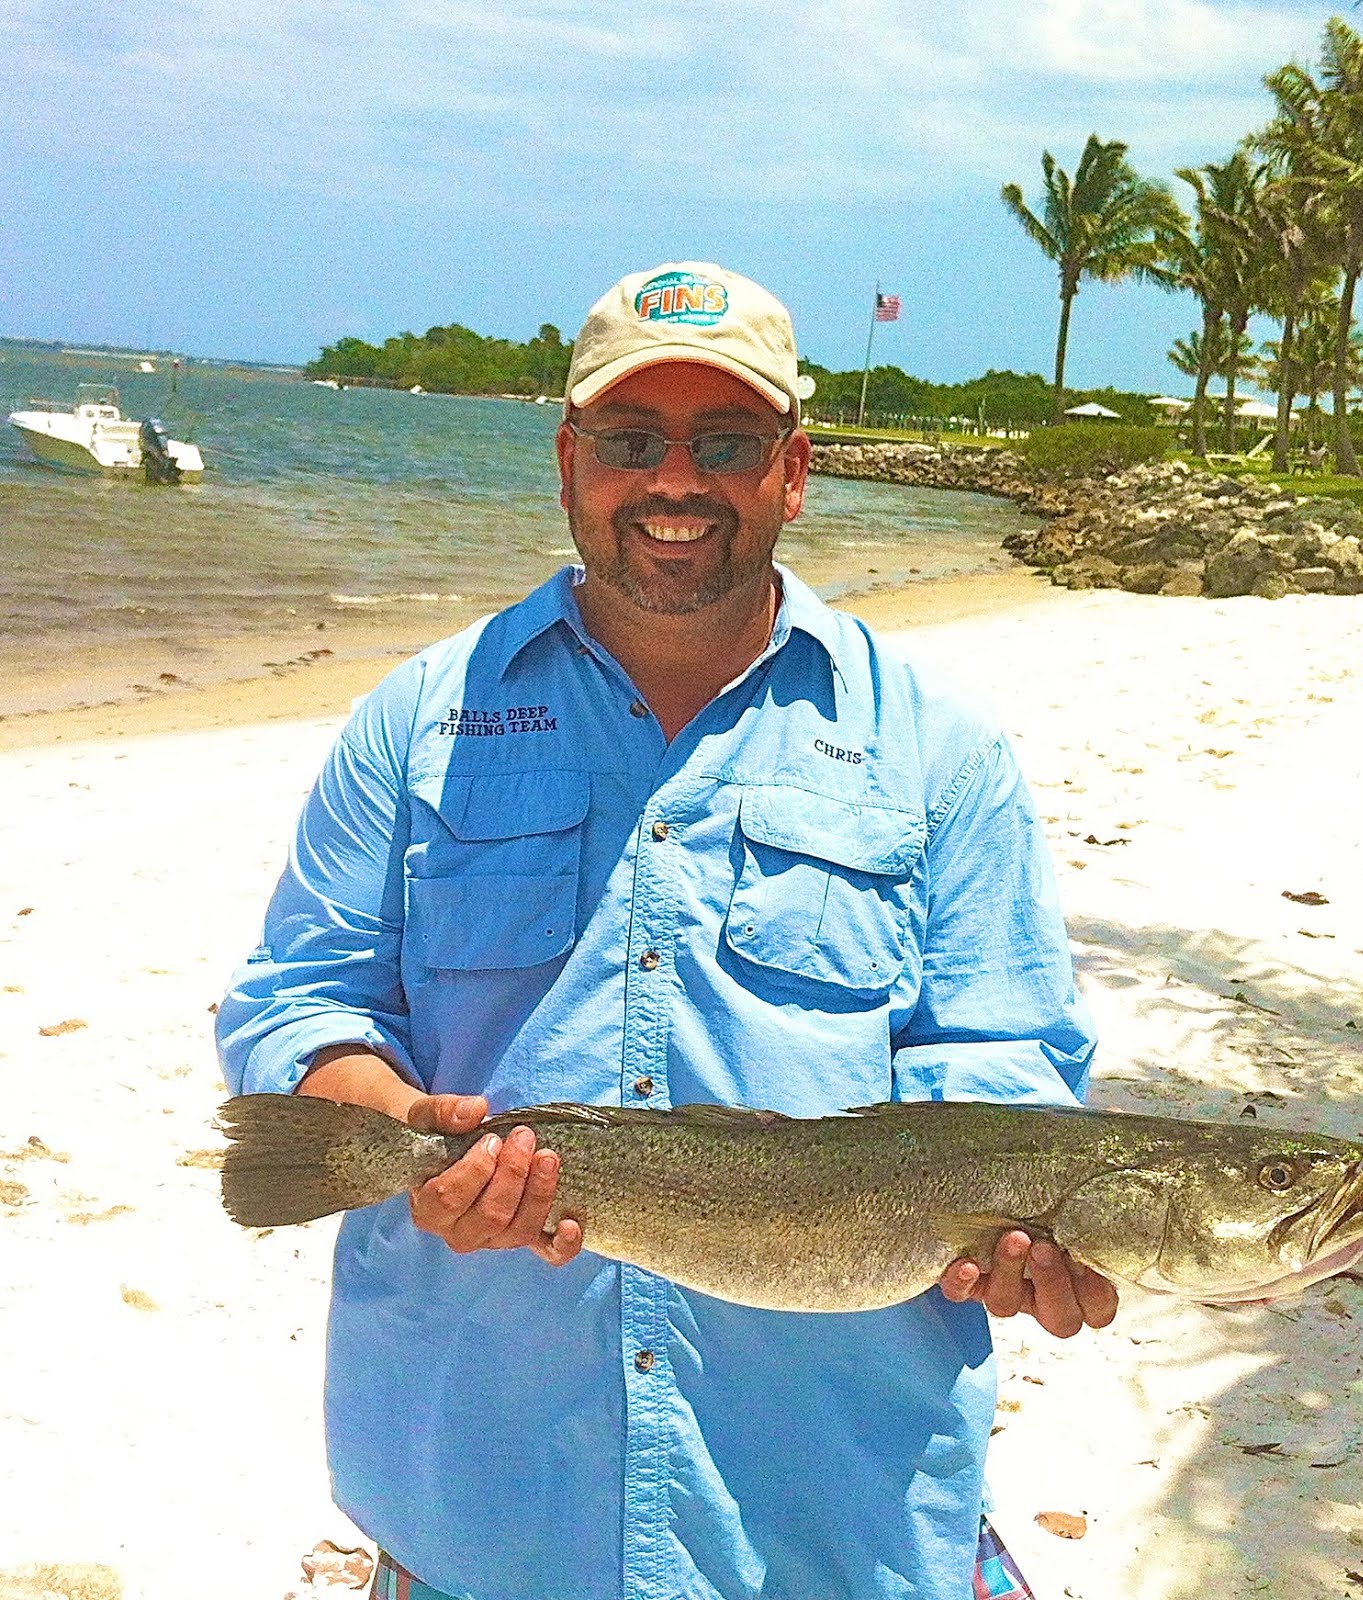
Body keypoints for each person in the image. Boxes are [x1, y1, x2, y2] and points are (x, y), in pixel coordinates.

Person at [218, 261, 1114, 1600]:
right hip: (486, 1512)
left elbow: (1006, 1052)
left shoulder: (942, 749)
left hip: (834, 1517)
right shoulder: (417, 721)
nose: (676, 481)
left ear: (794, 470)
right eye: (632, 442)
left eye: (728, 443)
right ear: (570, 465)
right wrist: (395, 1122)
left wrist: (1011, 1231)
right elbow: (299, 1000)